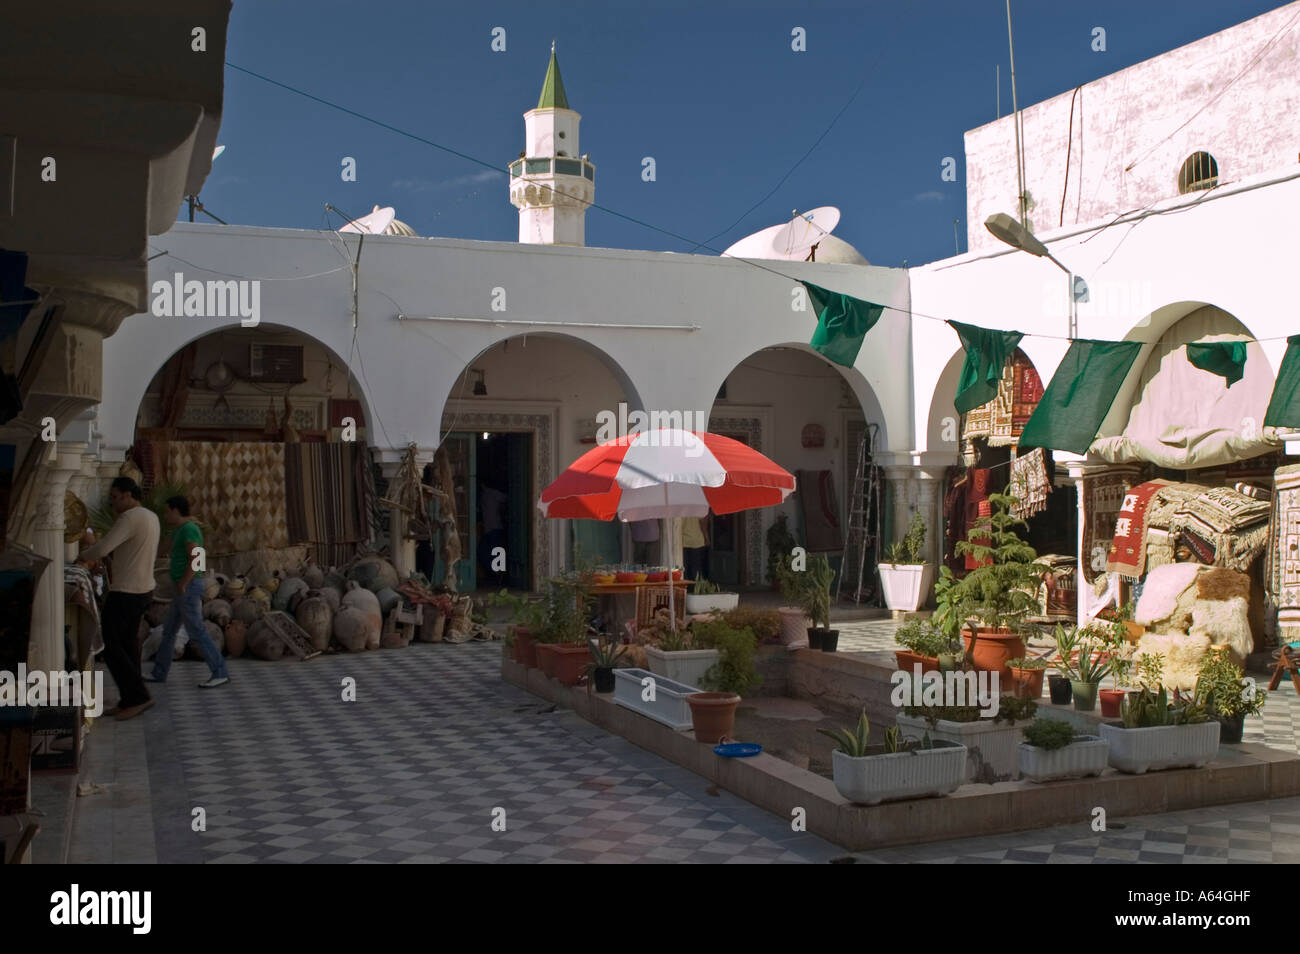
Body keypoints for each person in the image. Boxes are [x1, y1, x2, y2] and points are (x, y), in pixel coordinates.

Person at [77, 477, 160, 721]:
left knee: (112, 647)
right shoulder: (150, 516)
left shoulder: (130, 517)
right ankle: (130, 698)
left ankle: (138, 697)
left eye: (115, 497)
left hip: (127, 592)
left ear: (127, 495)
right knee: (127, 645)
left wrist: (82, 556)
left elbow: (102, 549)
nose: (113, 503)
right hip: (143, 590)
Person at [146, 496, 229, 689]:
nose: (166, 515)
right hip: (181, 587)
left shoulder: (189, 529)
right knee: (169, 631)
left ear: (176, 511)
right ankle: (159, 671)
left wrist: (184, 583)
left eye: (167, 511)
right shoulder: (180, 531)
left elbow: (197, 557)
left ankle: (219, 671)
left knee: (196, 631)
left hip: (188, 587)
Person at [680, 516, 709, 581]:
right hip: (697, 540)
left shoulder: (681, 508)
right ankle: (695, 587)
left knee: (684, 568)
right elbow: (703, 524)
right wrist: (706, 538)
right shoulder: (699, 507)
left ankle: (686, 587)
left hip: (684, 540)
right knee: (696, 568)